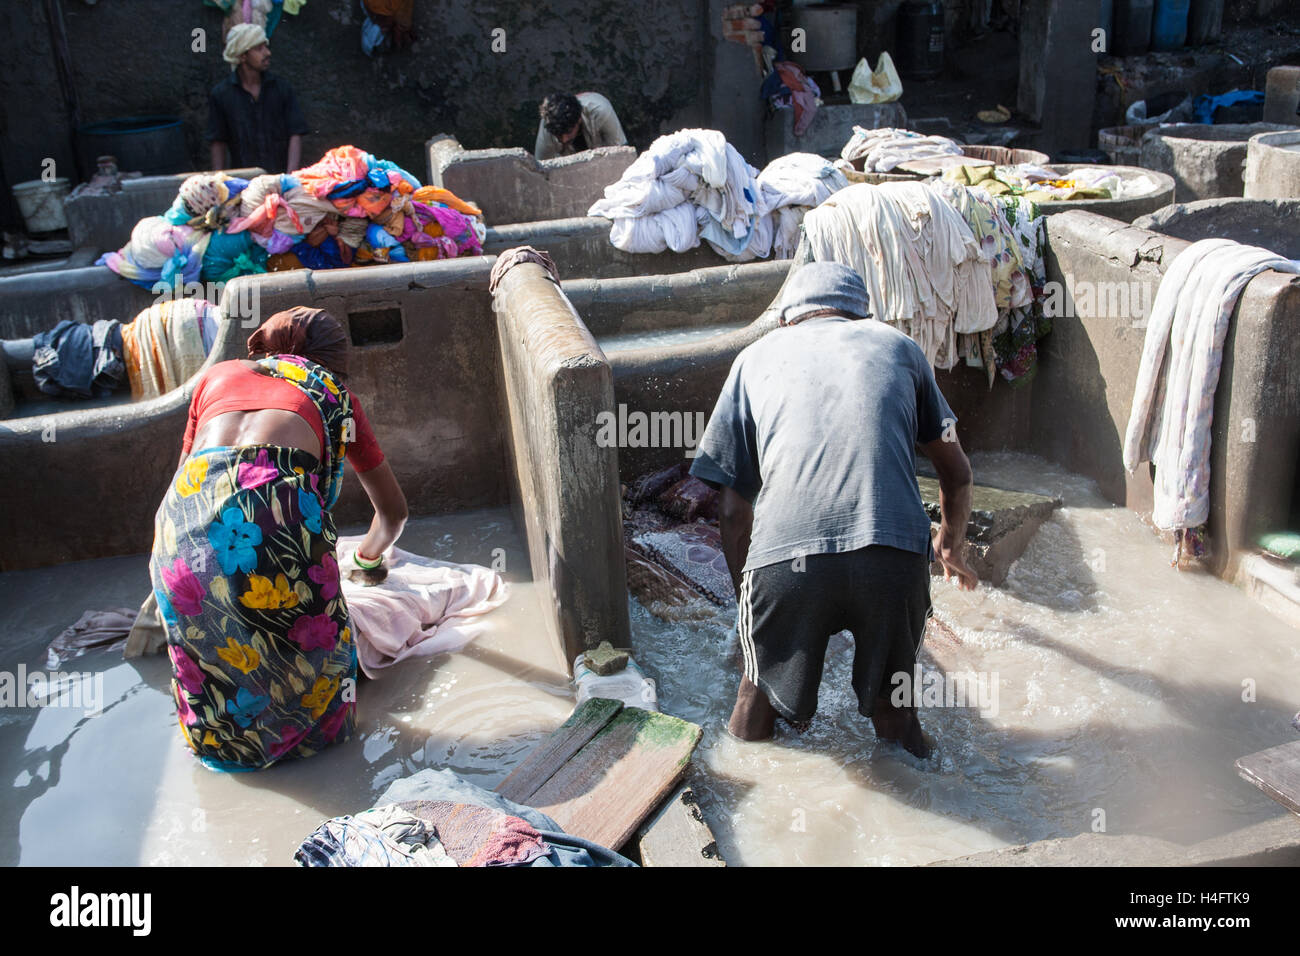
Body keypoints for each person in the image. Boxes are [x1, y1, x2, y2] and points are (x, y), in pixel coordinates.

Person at [689, 262, 977, 757]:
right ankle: (924, 786)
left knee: (755, 701)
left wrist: (749, 607)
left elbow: (734, 509)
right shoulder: (901, 349)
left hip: (787, 560)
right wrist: (950, 546)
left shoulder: (754, 359)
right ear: (862, 313)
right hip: (893, 557)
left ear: (786, 319)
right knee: (898, 713)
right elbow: (958, 472)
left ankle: (740, 792)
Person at [149, 307, 408, 770]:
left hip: (175, 529)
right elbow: (392, 513)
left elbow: (193, 487)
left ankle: (226, 758)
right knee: (317, 658)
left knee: (209, 659)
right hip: (271, 521)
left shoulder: (218, 375)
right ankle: (325, 769)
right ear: (332, 362)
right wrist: (366, 561)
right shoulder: (335, 394)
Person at [207, 23, 309, 174]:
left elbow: (296, 133)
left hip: (279, 178)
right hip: (244, 182)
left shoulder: (281, 88)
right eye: (259, 49)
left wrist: (290, 176)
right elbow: (218, 141)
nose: (267, 53)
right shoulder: (222, 94)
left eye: (266, 47)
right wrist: (218, 180)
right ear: (243, 56)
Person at [534, 92, 628, 161]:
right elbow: (541, 168)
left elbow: (622, 154)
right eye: (558, 135)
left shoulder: (600, 111)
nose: (564, 140)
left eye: (568, 131)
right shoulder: (548, 126)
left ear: (578, 119)